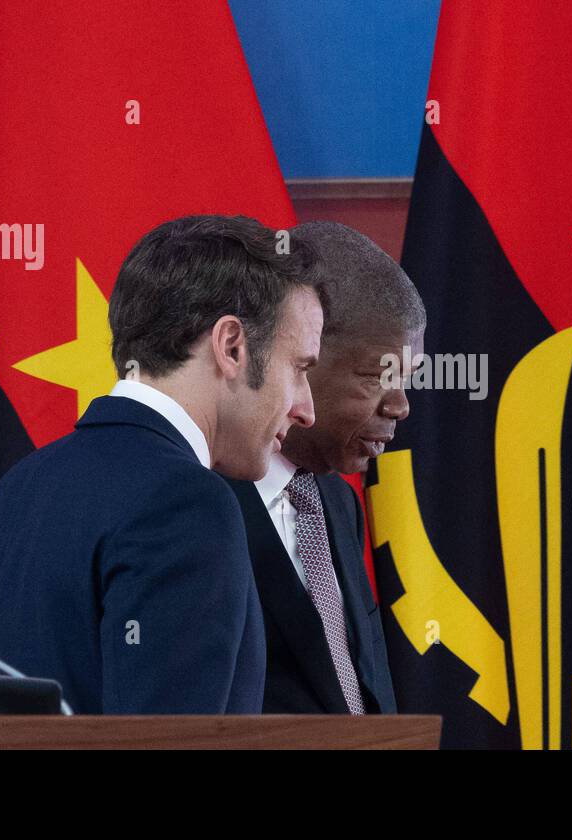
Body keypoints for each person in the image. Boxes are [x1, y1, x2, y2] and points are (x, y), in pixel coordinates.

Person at [0, 214, 323, 714]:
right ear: (231, 346)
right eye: (298, 368)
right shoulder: (188, 503)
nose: (307, 409)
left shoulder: (17, 488)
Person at [225, 221, 425, 715]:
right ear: (303, 356)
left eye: (408, 379)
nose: (400, 406)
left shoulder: (338, 503)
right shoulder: (200, 499)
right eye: (378, 377)